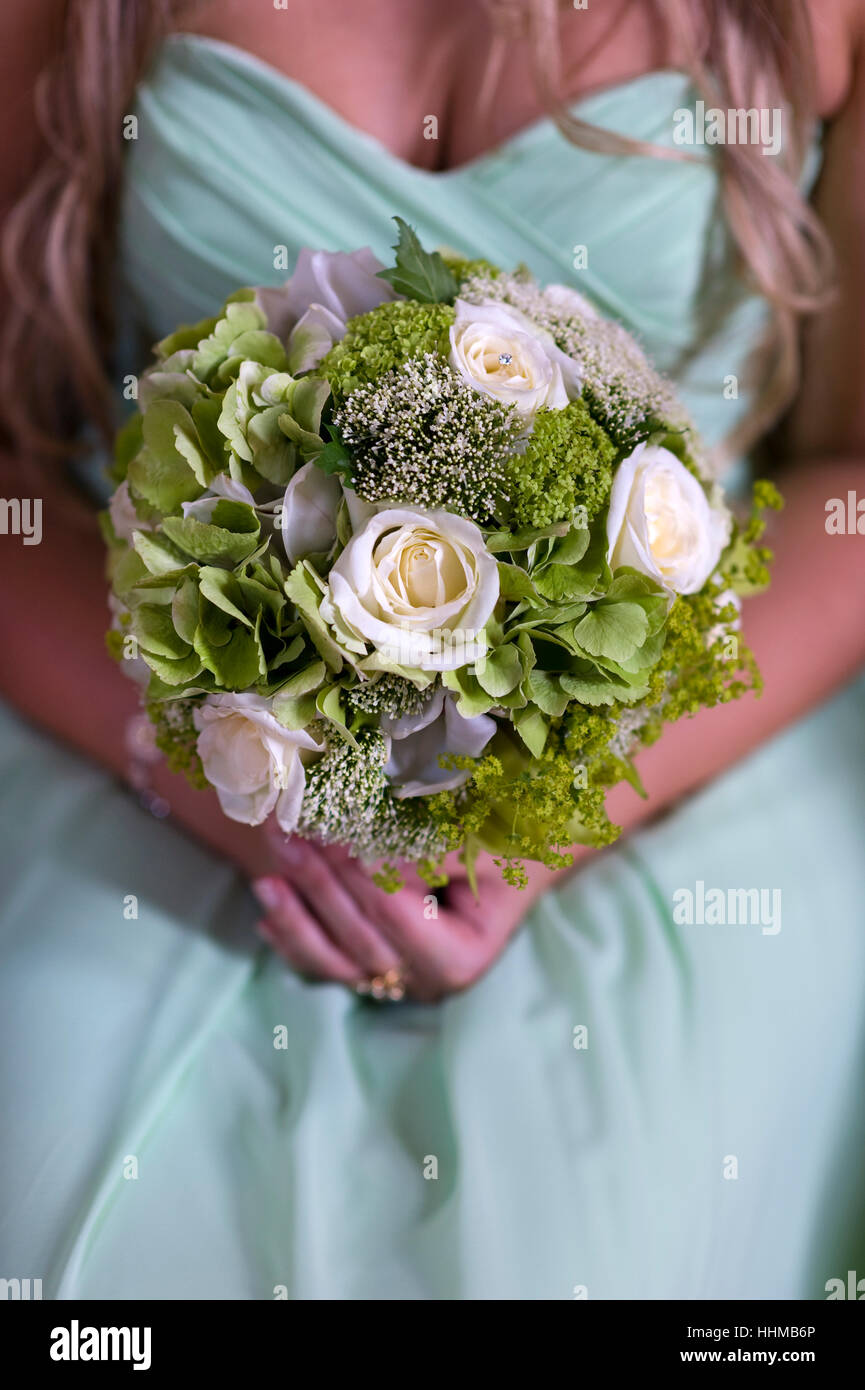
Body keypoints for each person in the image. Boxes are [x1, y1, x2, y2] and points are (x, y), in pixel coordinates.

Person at [0, 0, 863, 1299]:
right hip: (148, 719)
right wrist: (243, 787)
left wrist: (554, 813)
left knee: (606, 1242)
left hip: (683, 746)